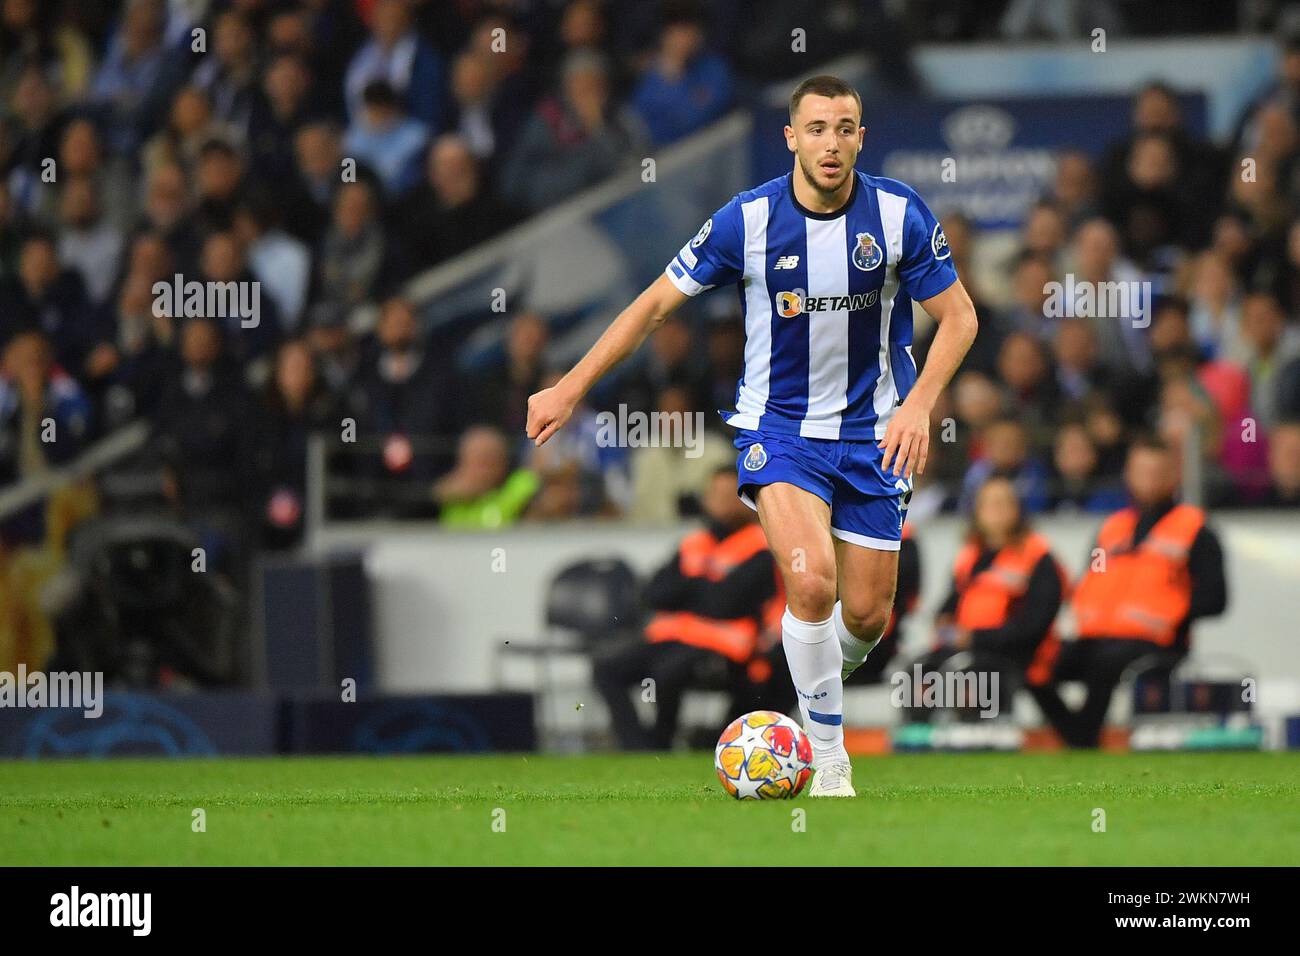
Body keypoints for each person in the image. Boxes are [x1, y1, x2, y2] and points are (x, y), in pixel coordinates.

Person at [528, 75, 979, 795]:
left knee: (864, 616)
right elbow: (652, 307)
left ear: (862, 136)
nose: (832, 143)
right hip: (779, 431)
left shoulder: (898, 215)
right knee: (808, 580)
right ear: (791, 137)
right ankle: (828, 759)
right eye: (818, 128)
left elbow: (960, 317)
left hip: (873, 438)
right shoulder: (749, 220)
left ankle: (813, 692)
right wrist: (570, 386)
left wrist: (920, 405)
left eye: (846, 127)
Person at [1035, 437, 1228, 747]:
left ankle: (1081, 738)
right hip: (1096, 635)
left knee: (1106, 663)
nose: (1148, 479)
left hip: (1159, 641)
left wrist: (1171, 613)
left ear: (1174, 475)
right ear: (1128, 474)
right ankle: (1077, 734)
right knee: (1037, 662)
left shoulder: (1195, 529)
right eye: (1141, 471)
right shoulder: (1112, 528)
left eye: (1157, 472)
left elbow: (1215, 598)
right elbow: (1092, 580)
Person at [592, 468, 783, 749]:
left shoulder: (761, 546)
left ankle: (662, 741)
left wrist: (691, 582)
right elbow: (654, 593)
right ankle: (637, 747)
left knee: (667, 673)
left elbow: (724, 604)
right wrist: (703, 582)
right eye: (715, 495)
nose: (723, 503)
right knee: (607, 667)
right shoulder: (695, 542)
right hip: (674, 636)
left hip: (725, 644)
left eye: (730, 495)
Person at [912, 477, 1066, 721]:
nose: (996, 511)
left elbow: (1035, 624)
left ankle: (977, 737)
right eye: (988, 504)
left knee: (974, 673)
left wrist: (976, 638)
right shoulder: (969, 557)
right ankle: (918, 737)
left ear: (1017, 509)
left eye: (1003, 503)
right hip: (966, 646)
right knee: (918, 669)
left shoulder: (1038, 557)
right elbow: (951, 602)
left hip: (1015, 652)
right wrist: (943, 621)